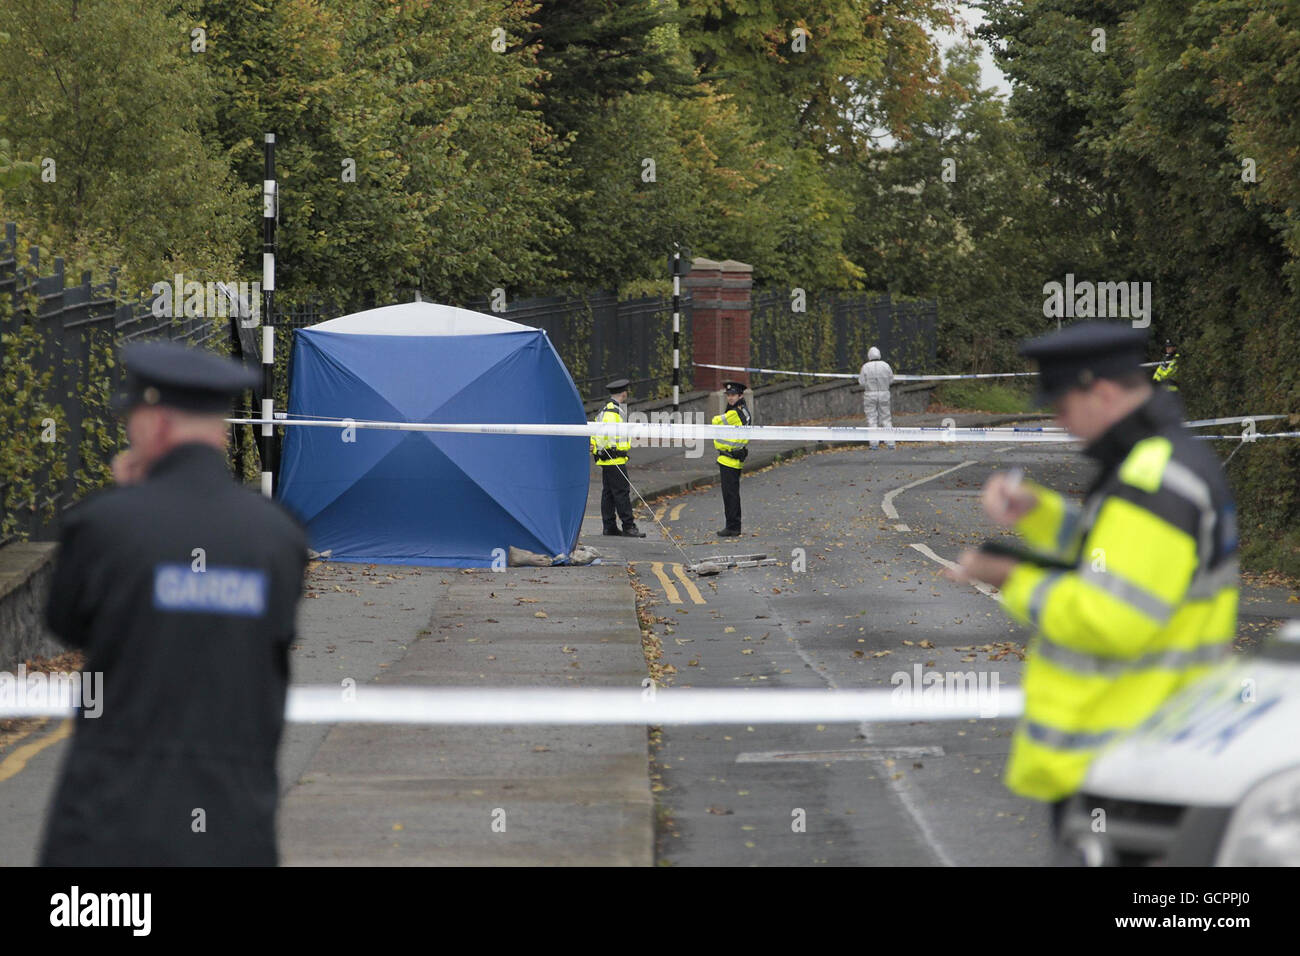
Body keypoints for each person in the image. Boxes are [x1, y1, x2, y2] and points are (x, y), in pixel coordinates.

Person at [947, 322, 1237, 837]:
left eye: (1062, 410)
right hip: (1143, 756)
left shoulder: (1153, 481)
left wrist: (1010, 578)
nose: (1062, 426)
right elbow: (1111, 553)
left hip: (1130, 761)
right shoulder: (1156, 460)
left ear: (1101, 393)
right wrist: (1036, 513)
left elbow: (1112, 617)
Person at [40, 340, 309, 866]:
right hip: (234, 820)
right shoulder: (278, 535)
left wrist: (126, 501)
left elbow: (66, 624)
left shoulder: (104, 524)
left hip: (110, 819)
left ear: (156, 423)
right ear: (220, 429)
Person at [590, 378, 645, 537]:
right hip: (614, 458)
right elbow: (604, 434)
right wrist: (603, 449)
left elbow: (596, 432)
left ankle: (609, 526)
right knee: (621, 493)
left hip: (608, 458)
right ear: (624, 392)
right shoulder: (612, 411)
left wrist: (597, 449)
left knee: (608, 493)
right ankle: (629, 527)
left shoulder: (607, 409)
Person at [712, 381, 751, 537]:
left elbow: (715, 421)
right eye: (728, 395)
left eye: (733, 395)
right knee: (732, 494)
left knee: (730, 495)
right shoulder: (741, 410)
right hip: (731, 458)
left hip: (730, 459)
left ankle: (733, 527)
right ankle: (733, 525)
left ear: (740, 395)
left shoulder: (735, 413)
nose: (730, 398)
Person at [858, 346, 895, 449]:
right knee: (886, 418)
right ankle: (890, 443)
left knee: (871, 418)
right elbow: (891, 380)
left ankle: (874, 444)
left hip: (870, 394)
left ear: (869, 356)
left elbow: (861, 382)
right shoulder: (886, 366)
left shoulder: (865, 367)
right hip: (884, 394)